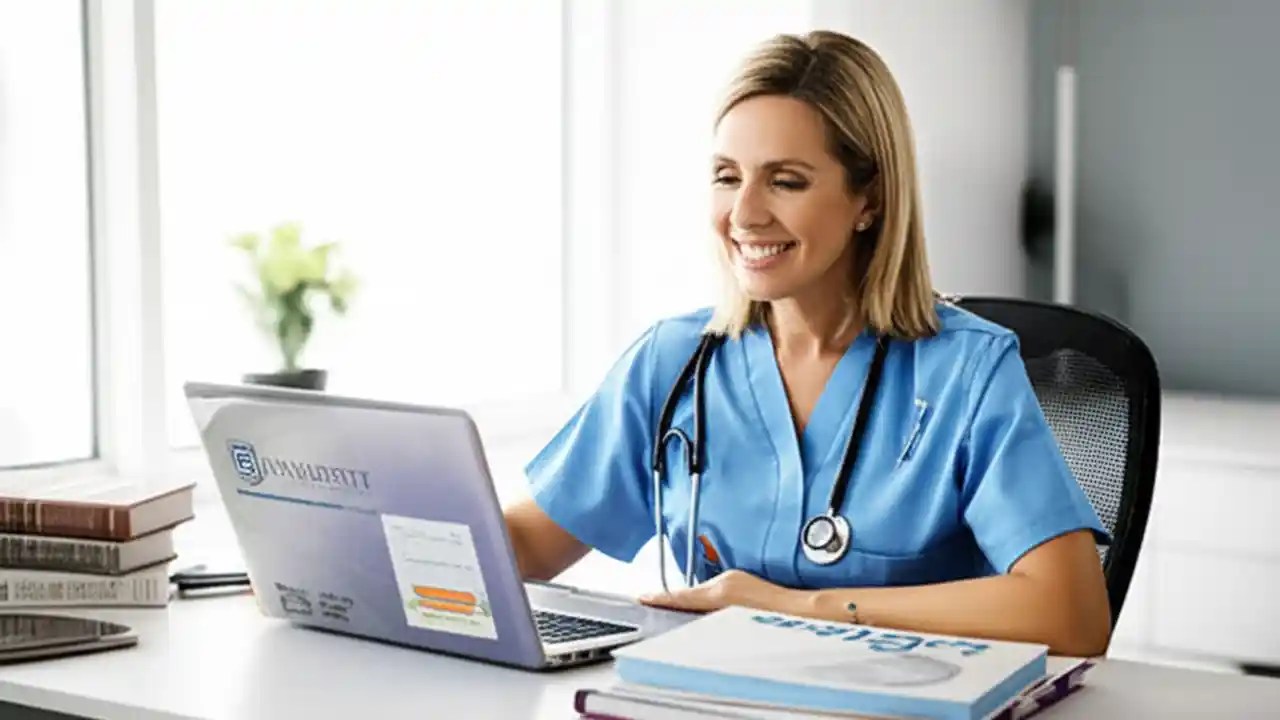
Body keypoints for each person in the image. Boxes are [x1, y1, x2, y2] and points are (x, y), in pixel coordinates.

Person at [503, 30, 1111, 657]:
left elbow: (1071, 612)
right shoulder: (674, 362)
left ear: (868, 199)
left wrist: (795, 610)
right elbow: (527, 543)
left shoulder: (966, 372)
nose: (744, 213)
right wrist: (411, 534)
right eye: (726, 176)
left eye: (786, 182)